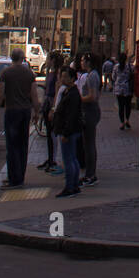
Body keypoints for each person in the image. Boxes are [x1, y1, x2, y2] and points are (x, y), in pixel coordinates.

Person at [0, 48, 41, 187]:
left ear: (11, 58)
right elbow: (34, 94)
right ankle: (20, 177)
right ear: (23, 58)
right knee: (22, 145)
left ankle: (13, 177)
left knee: (12, 145)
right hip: (25, 111)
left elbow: (0, 94)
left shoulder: (6, 73)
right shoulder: (29, 73)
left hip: (11, 111)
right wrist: (37, 112)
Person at [51, 66, 83, 196]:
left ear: (72, 78)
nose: (62, 79)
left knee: (69, 159)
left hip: (69, 131)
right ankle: (74, 185)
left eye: (65, 76)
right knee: (72, 158)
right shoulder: (68, 91)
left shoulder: (73, 94)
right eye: (62, 76)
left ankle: (70, 187)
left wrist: (66, 132)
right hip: (69, 129)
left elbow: (71, 116)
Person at [37, 51, 64, 175]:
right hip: (47, 103)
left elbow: (57, 91)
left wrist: (53, 108)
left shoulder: (58, 74)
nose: (46, 61)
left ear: (53, 60)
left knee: (52, 134)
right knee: (48, 133)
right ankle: (50, 158)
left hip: (51, 104)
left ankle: (53, 160)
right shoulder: (51, 73)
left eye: (48, 59)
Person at [78, 53, 102, 186]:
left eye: (82, 60)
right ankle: (89, 173)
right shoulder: (92, 74)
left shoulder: (92, 76)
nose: (81, 62)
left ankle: (90, 175)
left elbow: (93, 96)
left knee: (89, 144)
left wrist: (79, 98)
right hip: (89, 110)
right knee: (88, 143)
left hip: (90, 111)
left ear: (88, 62)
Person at [113, 52, 135, 129]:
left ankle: (122, 123)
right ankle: (127, 120)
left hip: (119, 89)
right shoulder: (130, 66)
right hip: (128, 88)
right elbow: (133, 75)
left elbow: (114, 77)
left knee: (121, 106)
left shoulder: (116, 67)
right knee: (128, 105)